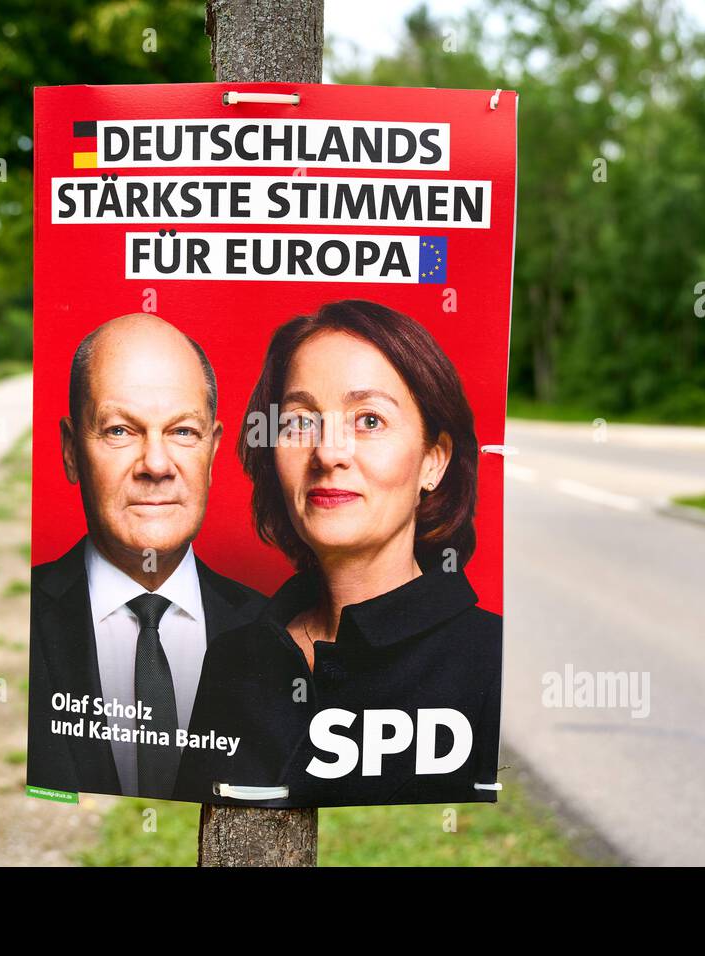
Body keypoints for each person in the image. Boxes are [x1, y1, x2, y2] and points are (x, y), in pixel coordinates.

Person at [176, 300, 502, 808]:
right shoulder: (233, 657)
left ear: (433, 461)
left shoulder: (492, 659)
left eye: (369, 420)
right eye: (300, 423)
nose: (328, 453)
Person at [27, 313, 266, 800]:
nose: (156, 465)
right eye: (120, 431)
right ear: (72, 451)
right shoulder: (15, 619)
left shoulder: (278, 634)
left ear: (213, 451)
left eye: (182, 432)